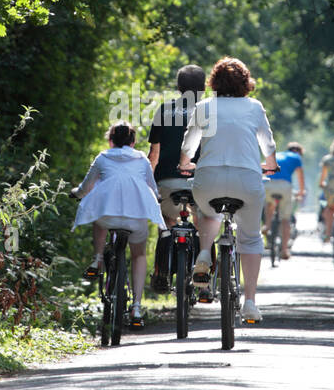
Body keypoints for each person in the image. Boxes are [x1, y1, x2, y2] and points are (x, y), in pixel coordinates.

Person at [179, 56, 278, 324]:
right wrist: (271, 165)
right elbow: (268, 145)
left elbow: (189, 144)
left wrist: (185, 163)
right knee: (250, 237)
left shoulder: (204, 106)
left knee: (209, 212)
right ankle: (250, 303)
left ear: (214, 82)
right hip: (246, 178)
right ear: (246, 83)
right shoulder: (254, 107)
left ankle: (203, 253)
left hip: (208, 177)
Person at [72, 121, 166, 327]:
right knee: (139, 254)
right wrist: (157, 198)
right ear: (133, 142)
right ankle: (137, 307)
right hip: (136, 219)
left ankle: (97, 259)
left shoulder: (103, 158)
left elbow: (86, 187)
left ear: (110, 140)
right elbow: (153, 189)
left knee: (99, 218)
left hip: (108, 218)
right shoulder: (142, 160)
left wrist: (76, 193)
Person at [147, 64, 205, 291]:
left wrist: (148, 184)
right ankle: (205, 277)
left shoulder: (165, 109)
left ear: (178, 87)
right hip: (201, 182)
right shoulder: (210, 112)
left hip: (167, 182)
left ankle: (161, 271)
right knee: (204, 226)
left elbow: (154, 155)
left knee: (168, 223)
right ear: (204, 87)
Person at [262, 141, 306, 260]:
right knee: (285, 219)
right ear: (299, 152)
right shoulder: (296, 157)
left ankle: (267, 225)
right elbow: (300, 176)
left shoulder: (278, 154)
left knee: (269, 203)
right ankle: (284, 250)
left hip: (268, 183)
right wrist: (302, 191)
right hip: (284, 186)